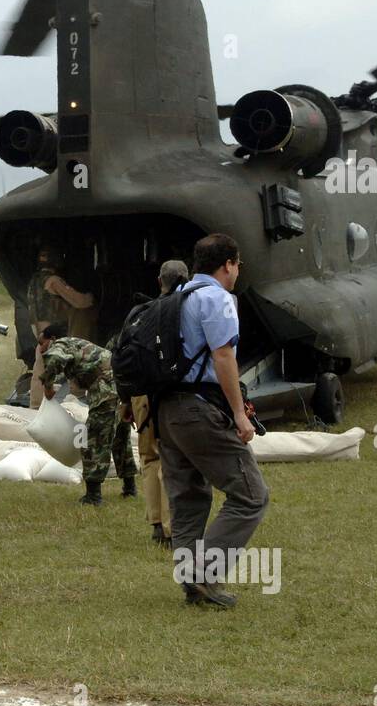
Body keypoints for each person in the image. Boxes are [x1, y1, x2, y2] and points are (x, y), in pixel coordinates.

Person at [156, 234, 269, 608]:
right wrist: (239, 412)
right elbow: (223, 355)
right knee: (251, 495)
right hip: (198, 408)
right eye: (238, 265)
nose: (238, 272)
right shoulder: (217, 297)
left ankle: (192, 584)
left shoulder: (177, 296)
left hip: (167, 411)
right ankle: (205, 575)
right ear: (229, 265)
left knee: (188, 498)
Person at [126, 259, 190, 546]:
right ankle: (172, 526)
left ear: (159, 281)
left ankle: (156, 522)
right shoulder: (185, 310)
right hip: (171, 392)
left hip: (140, 394)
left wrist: (126, 400)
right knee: (174, 457)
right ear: (186, 280)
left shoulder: (141, 312)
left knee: (149, 457)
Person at [37, 323, 135, 506]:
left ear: (51, 340)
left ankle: (93, 495)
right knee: (120, 439)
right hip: (120, 388)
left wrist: (48, 386)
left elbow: (53, 358)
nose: (40, 348)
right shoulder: (76, 344)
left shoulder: (61, 345)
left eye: (41, 343)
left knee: (93, 440)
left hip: (106, 391)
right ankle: (130, 488)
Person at [26, 244, 97, 407]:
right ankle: (77, 398)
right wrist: (92, 297)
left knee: (40, 370)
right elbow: (79, 302)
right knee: (76, 359)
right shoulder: (53, 281)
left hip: (39, 333)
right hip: (54, 335)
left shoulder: (33, 280)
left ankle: (36, 405)